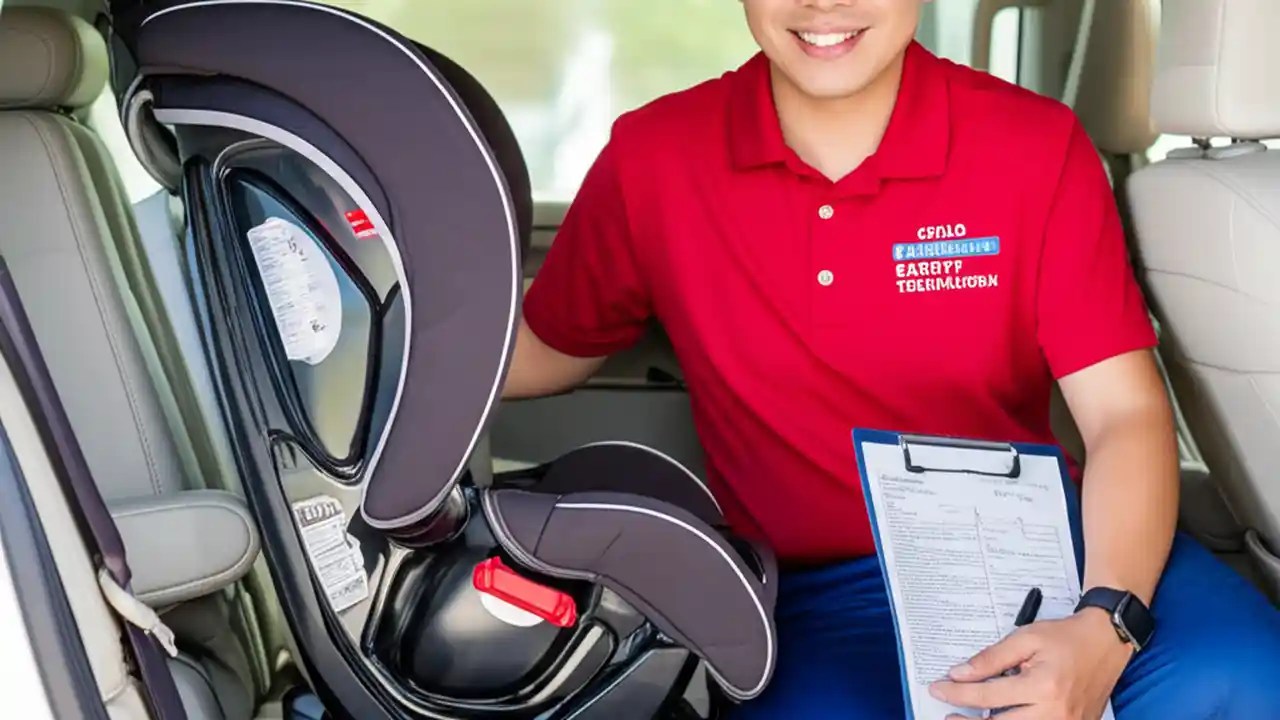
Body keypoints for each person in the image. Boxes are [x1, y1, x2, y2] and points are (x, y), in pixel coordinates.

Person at [501, 0, 1280, 716]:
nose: (824, 4)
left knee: (1243, 674)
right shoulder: (655, 157)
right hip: (816, 594)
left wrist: (1106, 622)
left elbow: (1123, 416)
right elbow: (541, 349)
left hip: (1058, 549)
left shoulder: (1035, 145)